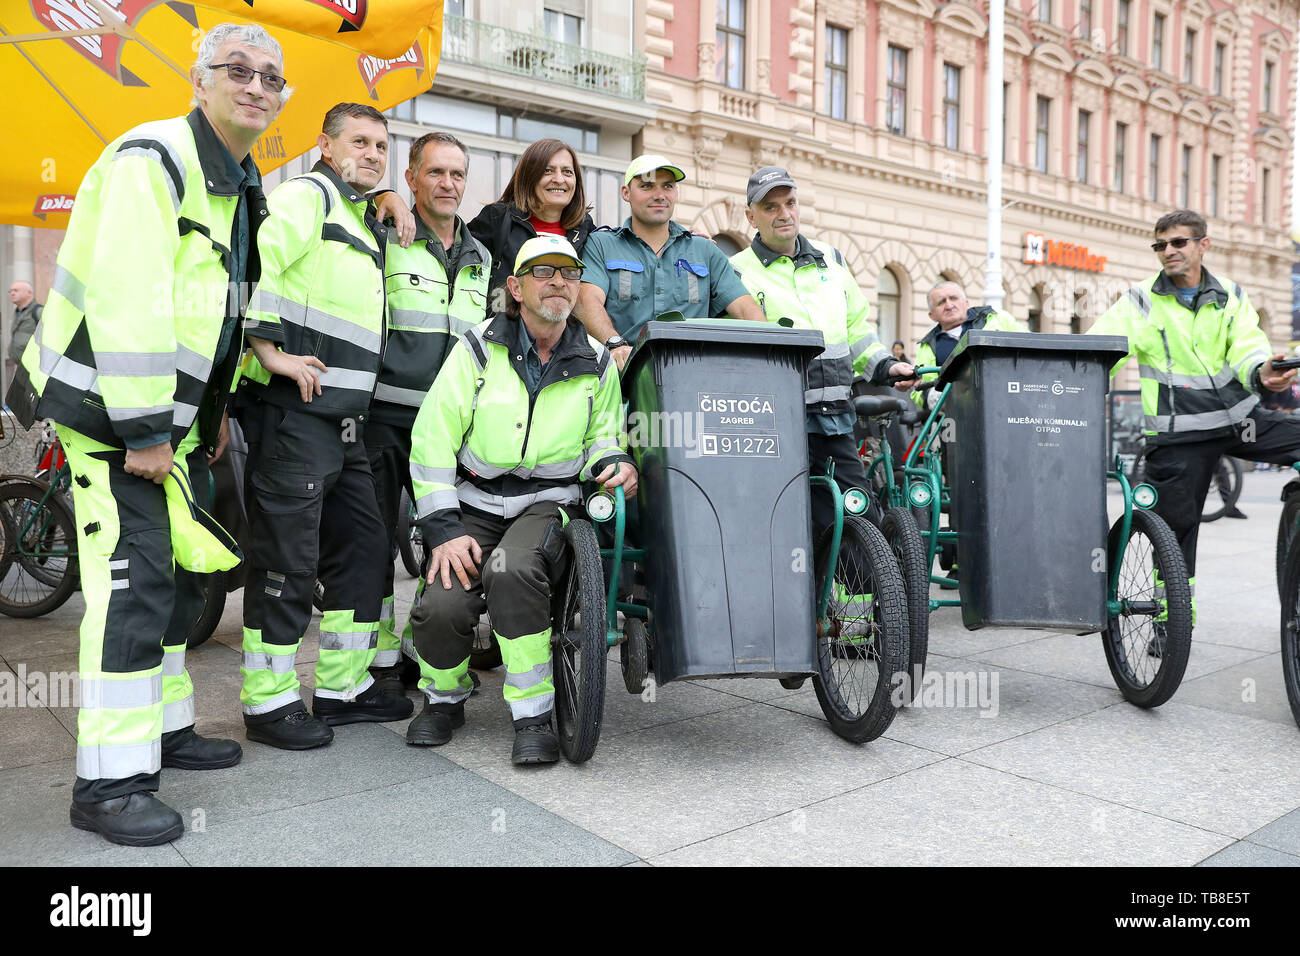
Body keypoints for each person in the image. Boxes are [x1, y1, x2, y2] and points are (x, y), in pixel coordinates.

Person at [3, 23, 288, 846]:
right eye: (240, 70)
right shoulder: (153, 160)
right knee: (130, 591)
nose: (257, 87)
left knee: (164, 585)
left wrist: (212, 414)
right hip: (113, 418)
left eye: (272, 78)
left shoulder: (236, 180)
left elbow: (215, 314)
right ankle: (110, 785)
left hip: (169, 422)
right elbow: (132, 304)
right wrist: (146, 428)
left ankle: (163, 732)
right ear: (201, 81)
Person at [406, 235, 635, 763]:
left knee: (510, 570)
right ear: (515, 287)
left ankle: (533, 714)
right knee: (442, 598)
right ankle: (444, 700)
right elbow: (433, 436)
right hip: (475, 502)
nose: (559, 281)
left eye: (569, 273)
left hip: (547, 503)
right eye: (543, 272)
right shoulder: (478, 347)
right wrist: (442, 527)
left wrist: (613, 463)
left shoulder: (597, 362)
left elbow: (604, 435)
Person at [235, 102, 413, 749]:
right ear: (326, 145)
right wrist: (267, 347)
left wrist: (386, 197)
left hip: (345, 423)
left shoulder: (358, 217)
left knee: (365, 548)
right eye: (359, 141)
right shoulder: (308, 196)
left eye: (381, 145)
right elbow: (266, 261)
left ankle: (342, 688)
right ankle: (270, 701)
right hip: (296, 415)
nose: (371, 152)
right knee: (287, 560)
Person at [1088, 208, 1299, 641]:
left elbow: (1247, 344)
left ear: (1203, 245)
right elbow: (1098, 350)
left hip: (1238, 421)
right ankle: (1171, 621)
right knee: (1175, 532)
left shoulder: (1230, 295)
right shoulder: (1141, 301)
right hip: (1178, 435)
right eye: (1160, 245)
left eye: (1178, 242)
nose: (1168, 251)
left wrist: (1262, 370)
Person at [365, 131, 491, 696]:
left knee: (445, 539)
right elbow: (343, 208)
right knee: (371, 544)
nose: (447, 184)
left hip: (452, 431)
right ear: (412, 176)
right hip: (385, 417)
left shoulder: (482, 258)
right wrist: (380, 198)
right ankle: (382, 661)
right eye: (435, 173)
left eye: (457, 175)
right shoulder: (384, 234)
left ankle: (427, 649)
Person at [728, 166, 916, 530]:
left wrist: (886, 366)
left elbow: (857, 329)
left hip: (833, 417)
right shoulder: (736, 270)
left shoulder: (832, 258)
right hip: (773, 423)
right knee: (786, 523)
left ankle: (863, 588)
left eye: (790, 203)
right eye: (770, 207)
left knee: (857, 515)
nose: (784, 213)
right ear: (751, 216)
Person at [578, 154, 767, 370]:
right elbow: (587, 301)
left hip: (694, 376)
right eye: (647, 186)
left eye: (667, 186)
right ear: (626, 193)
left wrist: (769, 356)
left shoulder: (704, 250)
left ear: (676, 193)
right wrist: (615, 344)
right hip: (625, 376)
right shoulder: (602, 244)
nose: (659, 195)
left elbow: (746, 310)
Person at [467, 138, 596, 316]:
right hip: (502, 335)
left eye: (567, 172)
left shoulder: (585, 229)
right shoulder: (497, 218)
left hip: (563, 339)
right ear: (530, 176)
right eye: (548, 171)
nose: (559, 179)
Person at [912, 280, 1022, 398]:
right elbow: (919, 391)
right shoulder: (928, 346)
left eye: (953, 298)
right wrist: (940, 400)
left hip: (1010, 397)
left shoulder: (998, 318)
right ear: (932, 315)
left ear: (966, 303)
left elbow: (1031, 347)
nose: (949, 306)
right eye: (941, 302)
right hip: (957, 412)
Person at [6, 281, 42, 398]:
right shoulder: (18, 312)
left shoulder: (38, 311)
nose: (12, 293)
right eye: (10, 291)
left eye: (16, 290)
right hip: (21, 366)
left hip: (34, 367)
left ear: (29, 292)